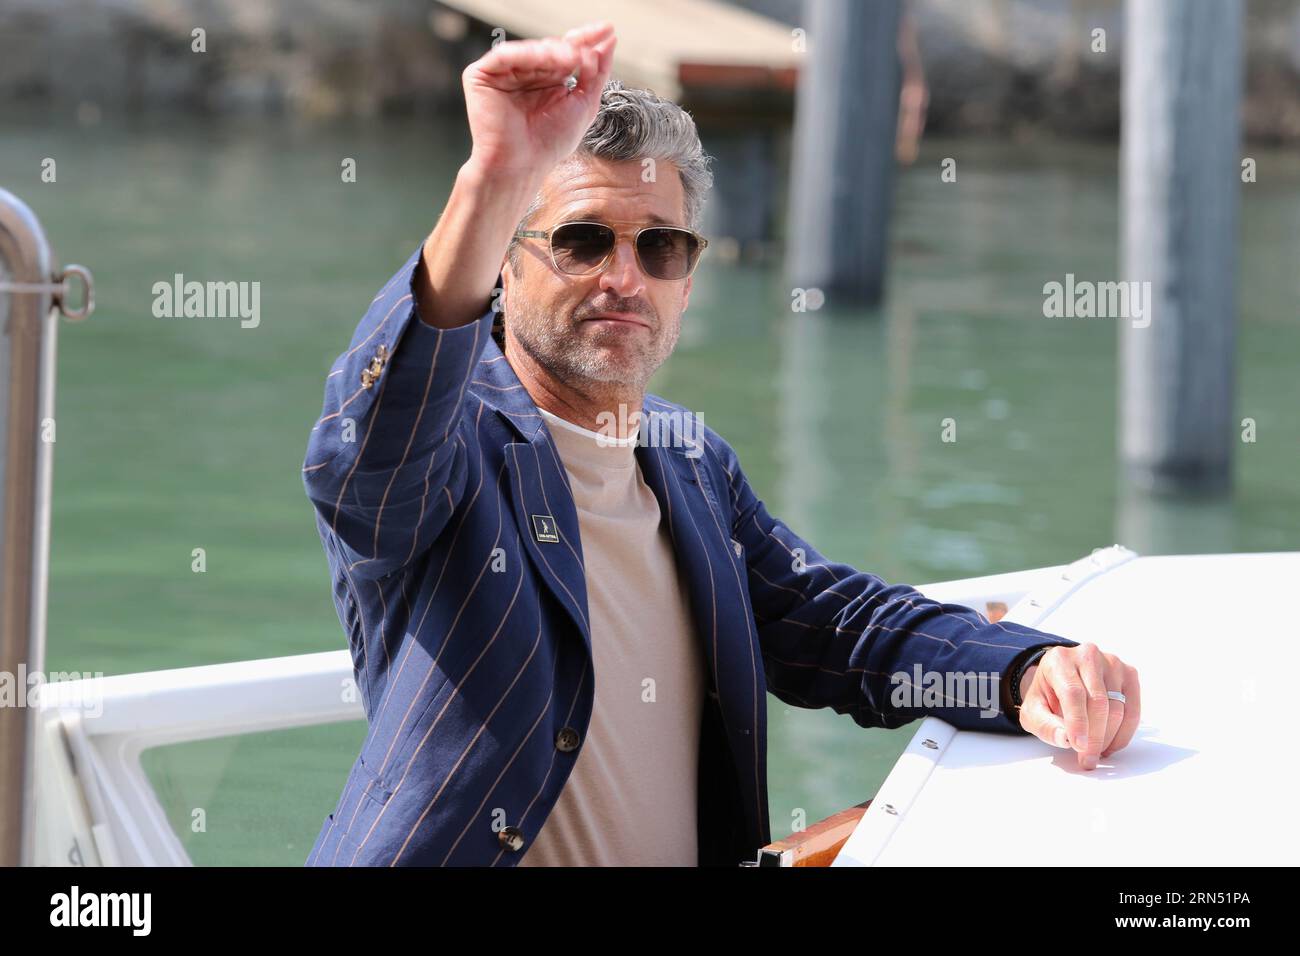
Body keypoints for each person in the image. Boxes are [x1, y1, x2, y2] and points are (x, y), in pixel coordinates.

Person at [302, 21, 1140, 867]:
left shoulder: (687, 459)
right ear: (506, 266)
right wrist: (493, 179)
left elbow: (839, 625)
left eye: (660, 246)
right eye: (582, 240)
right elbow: (366, 449)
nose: (625, 279)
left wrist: (1021, 672)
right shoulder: (447, 450)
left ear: (690, 279)